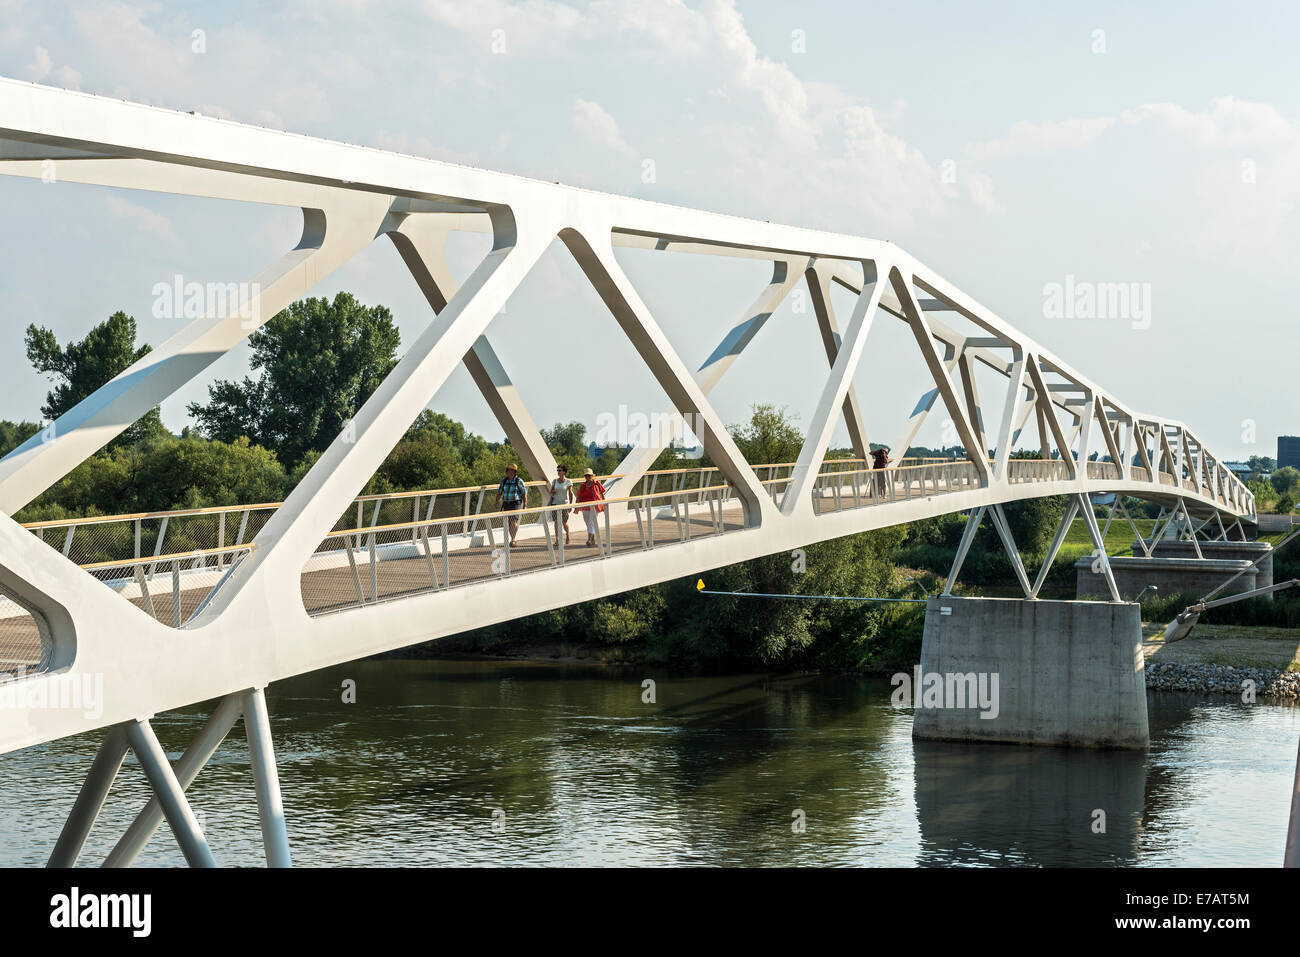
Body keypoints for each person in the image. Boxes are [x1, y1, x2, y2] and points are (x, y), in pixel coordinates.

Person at [493, 463, 526, 547]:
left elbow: (524, 493)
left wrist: (525, 504)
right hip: (506, 503)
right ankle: (512, 539)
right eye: (508, 470)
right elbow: (500, 492)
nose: (509, 472)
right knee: (509, 522)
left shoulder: (518, 481)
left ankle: (513, 539)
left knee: (514, 521)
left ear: (515, 472)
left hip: (516, 503)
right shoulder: (504, 481)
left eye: (511, 470)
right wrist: (496, 501)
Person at [575, 467, 606, 547]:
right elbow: (578, 496)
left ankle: (589, 539)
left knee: (591, 522)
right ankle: (593, 539)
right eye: (586, 476)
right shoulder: (583, 486)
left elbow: (602, 494)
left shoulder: (597, 484)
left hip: (595, 506)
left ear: (592, 476)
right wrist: (576, 506)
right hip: (585, 506)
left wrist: (605, 504)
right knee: (588, 522)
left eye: (589, 476)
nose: (588, 477)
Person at [548, 464, 575, 546]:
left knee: (564, 522)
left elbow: (570, 493)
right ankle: (557, 539)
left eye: (560, 470)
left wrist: (570, 505)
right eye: (557, 470)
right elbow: (551, 491)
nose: (558, 472)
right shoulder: (554, 481)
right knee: (556, 522)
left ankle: (567, 534)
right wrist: (553, 491)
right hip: (555, 503)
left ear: (564, 472)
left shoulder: (568, 481)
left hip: (564, 504)